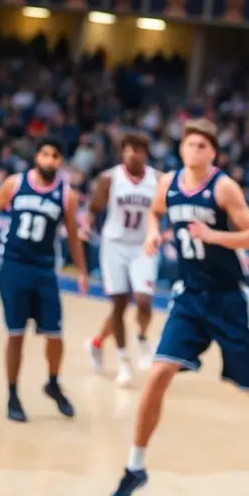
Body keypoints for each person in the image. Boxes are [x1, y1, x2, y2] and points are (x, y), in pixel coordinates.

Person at [104, 118, 249, 496]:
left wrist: (214, 237)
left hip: (229, 300)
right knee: (157, 375)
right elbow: (156, 213)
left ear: (213, 152)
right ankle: (134, 467)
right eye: (189, 144)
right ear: (181, 149)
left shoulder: (224, 187)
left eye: (202, 146)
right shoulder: (167, 184)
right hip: (189, 297)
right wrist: (153, 234)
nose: (194, 151)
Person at [0, 139, 89, 422]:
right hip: (13, 266)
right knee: (16, 333)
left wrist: (83, 270)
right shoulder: (15, 184)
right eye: (45, 154)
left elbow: (73, 236)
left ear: (60, 161)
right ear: (37, 157)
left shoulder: (66, 195)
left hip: (45, 269)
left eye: (55, 155)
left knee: (55, 334)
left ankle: (52, 382)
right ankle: (12, 394)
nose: (49, 159)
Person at [86, 132, 160, 386]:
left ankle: (141, 337)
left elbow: (163, 211)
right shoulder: (109, 178)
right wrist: (86, 224)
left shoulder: (157, 180)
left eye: (138, 149)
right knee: (119, 304)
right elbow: (93, 208)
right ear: (122, 152)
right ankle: (123, 361)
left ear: (145, 154)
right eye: (128, 149)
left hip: (142, 246)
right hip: (114, 245)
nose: (132, 153)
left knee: (143, 300)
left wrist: (160, 231)